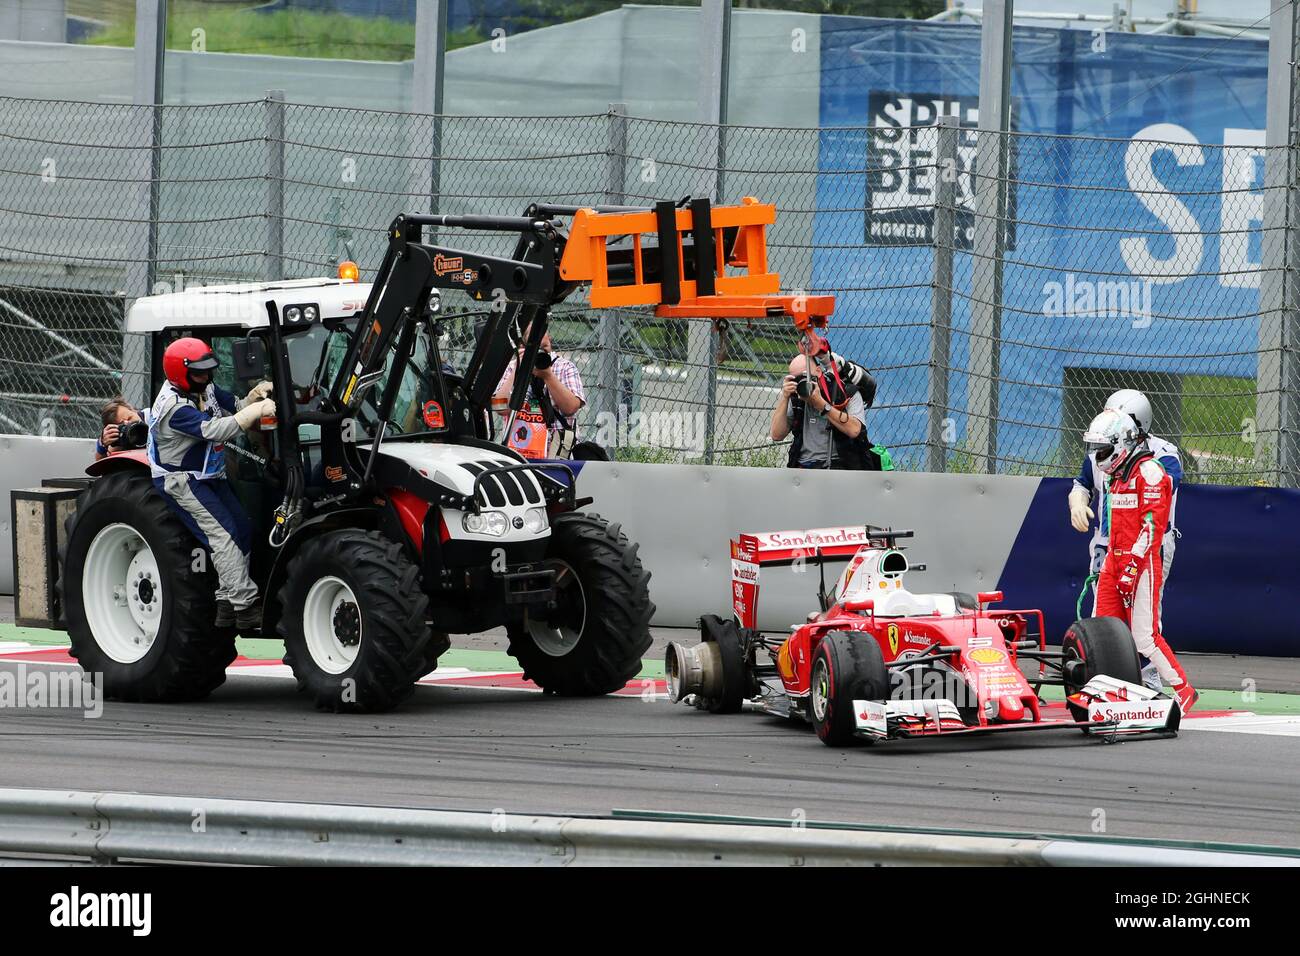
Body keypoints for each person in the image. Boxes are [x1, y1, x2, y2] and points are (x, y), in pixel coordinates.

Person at [148, 337, 276, 632]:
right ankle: (245, 607)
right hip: (181, 480)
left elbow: (237, 407)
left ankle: (226, 603)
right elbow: (215, 430)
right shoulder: (173, 407)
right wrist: (253, 412)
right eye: (199, 372)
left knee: (242, 529)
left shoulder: (205, 388)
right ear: (180, 374)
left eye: (208, 370)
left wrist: (255, 397)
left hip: (209, 475)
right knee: (224, 536)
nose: (206, 377)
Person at [1082, 408, 1198, 714]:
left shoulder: (1150, 472)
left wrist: (1132, 566)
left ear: (1122, 443)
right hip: (1113, 560)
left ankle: (1183, 689)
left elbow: (1152, 527)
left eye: (1103, 449)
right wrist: (1114, 565)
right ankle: (1105, 688)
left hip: (1142, 563)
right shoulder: (1116, 477)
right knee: (1103, 629)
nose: (1098, 457)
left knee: (1144, 637)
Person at [1068, 388, 1181, 689]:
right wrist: (1078, 503)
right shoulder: (1100, 450)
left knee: (1142, 616)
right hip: (1108, 542)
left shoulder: (1163, 453)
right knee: (1103, 616)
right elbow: (1082, 484)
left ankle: (1148, 681)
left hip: (1149, 543)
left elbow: (1167, 484)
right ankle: (1102, 678)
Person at [770, 351, 882, 470]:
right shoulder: (795, 397)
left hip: (840, 464)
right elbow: (776, 435)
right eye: (797, 379)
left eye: (806, 377)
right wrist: (785, 397)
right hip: (803, 466)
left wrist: (821, 404)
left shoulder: (845, 392)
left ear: (819, 371)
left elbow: (855, 430)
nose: (803, 383)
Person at [492, 324, 585, 460]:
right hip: (518, 453)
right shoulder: (513, 367)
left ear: (549, 338)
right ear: (523, 345)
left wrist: (548, 376)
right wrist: (518, 369)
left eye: (543, 348)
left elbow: (570, 408)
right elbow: (499, 408)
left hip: (556, 455)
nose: (539, 337)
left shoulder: (565, 367)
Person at [94, 396, 145, 460]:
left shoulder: (152, 417)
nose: (129, 423)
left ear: (134, 410)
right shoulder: (119, 439)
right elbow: (99, 463)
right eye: (122, 425)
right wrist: (103, 445)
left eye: (130, 418)